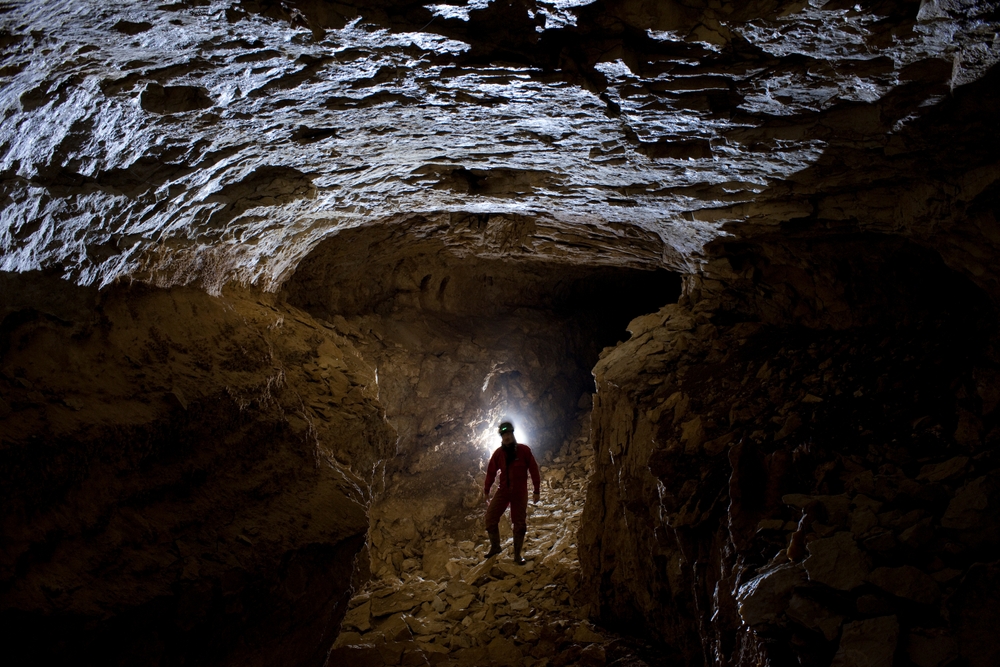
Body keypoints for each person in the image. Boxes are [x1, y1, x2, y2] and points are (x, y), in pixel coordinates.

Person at [483, 421, 541, 564]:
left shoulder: (524, 450)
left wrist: (536, 490)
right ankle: (495, 547)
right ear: (501, 437)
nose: (507, 437)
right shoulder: (498, 454)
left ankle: (517, 555)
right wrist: (486, 490)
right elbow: (491, 472)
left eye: (509, 434)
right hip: (503, 491)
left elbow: (534, 469)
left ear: (513, 434)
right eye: (504, 435)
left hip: (519, 493)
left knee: (519, 523)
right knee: (490, 517)